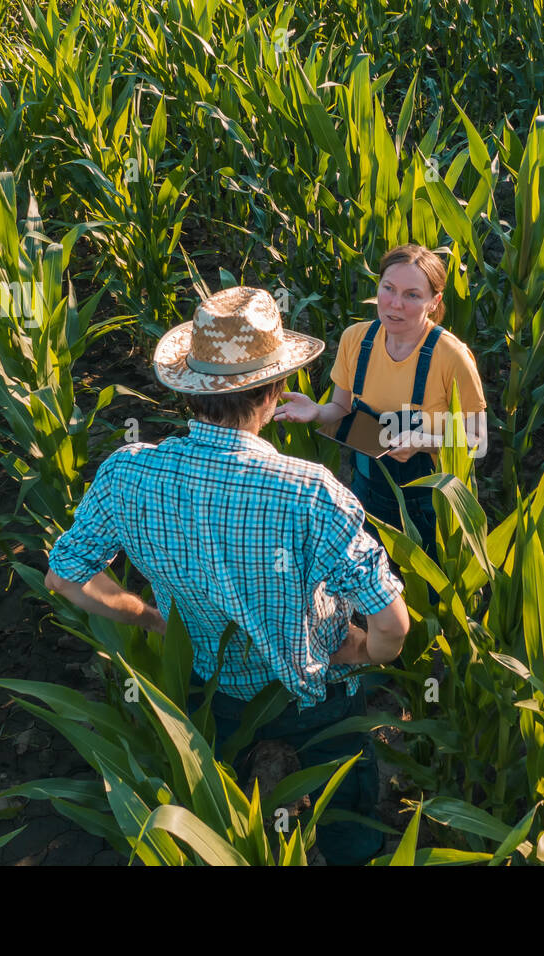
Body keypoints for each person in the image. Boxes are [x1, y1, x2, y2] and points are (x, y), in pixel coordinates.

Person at [43, 286, 409, 866]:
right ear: (273, 392)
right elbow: (392, 624)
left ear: (190, 390)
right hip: (312, 695)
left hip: (205, 689)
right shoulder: (310, 492)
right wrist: (362, 652)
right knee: (348, 813)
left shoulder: (127, 473)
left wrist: (152, 618)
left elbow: (64, 577)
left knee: (232, 819)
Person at [275, 244, 488, 550]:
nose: (395, 304)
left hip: (431, 507)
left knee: (426, 594)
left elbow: (478, 441)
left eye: (412, 295)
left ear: (434, 301)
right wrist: (317, 412)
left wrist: (422, 442)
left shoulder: (451, 356)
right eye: (388, 289)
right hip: (366, 492)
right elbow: (341, 408)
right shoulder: (356, 340)